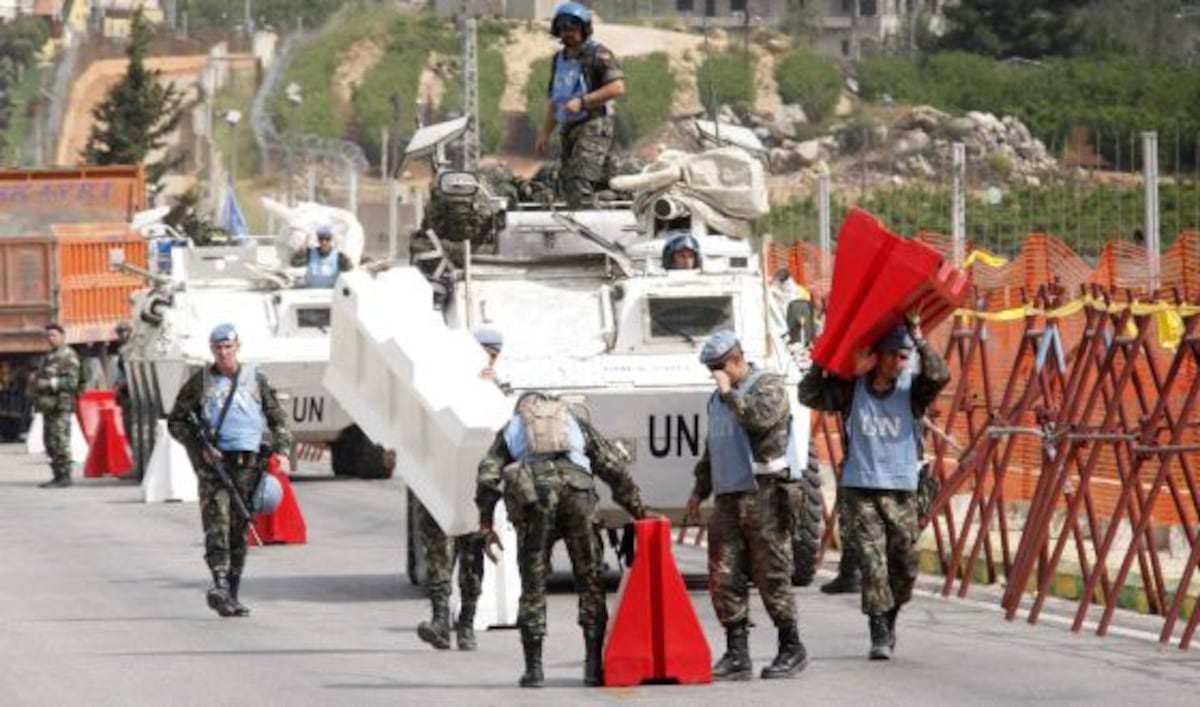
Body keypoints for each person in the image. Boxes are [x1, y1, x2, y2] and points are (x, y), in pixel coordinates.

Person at [797, 312, 949, 659]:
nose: (899, 363)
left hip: (902, 492)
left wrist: (918, 337)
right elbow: (809, 394)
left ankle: (890, 617)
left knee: (904, 567)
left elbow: (940, 374)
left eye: (904, 357)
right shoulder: (853, 389)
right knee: (872, 562)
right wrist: (834, 366)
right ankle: (878, 630)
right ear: (876, 356)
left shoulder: (913, 391)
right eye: (893, 355)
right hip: (860, 489)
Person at [476, 391, 649, 688]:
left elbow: (487, 475)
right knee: (590, 582)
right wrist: (638, 510)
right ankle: (593, 668)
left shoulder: (514, 426)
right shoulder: (573, 421)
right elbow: (611, 466)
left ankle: (534, 670)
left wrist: (486, 523)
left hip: (535, 502)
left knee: (533, 587)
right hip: (579, 497)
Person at [685, 329, 808, 681]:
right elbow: (713, 448)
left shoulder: (768, 386)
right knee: (724, 576)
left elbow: (757, 420)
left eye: (719, 367)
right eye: (711, 369)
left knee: (771, 574)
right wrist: (698, 491)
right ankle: (737, 651)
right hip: (728, 498)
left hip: (765, 495)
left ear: (737, 359)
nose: (715, 375)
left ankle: (791, 646)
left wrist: (729, 393)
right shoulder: (717, 400)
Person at [167, 323, 293, 618]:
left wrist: (282, 452)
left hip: (249, 467)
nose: (223, 353)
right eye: (218, 348)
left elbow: (278, 419)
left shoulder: (255, 379)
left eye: (228, 347)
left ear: (237, 347)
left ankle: (232, 594)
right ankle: (220, 585)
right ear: (212, 350)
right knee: (217, 526)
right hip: (215, 468)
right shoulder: (200, 382)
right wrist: (200, 449)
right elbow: (176, 421)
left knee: (239, 530)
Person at [415, 327, 508, 651]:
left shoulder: (500, 391)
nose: (487, 361)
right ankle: (440, 621)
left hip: (476, 489)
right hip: (440, 481)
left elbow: (507, 432)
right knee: (438, 554)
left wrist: (491, 388)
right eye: (483, 354)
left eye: (492, 355)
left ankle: (466, 624)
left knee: (472, 558)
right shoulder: (444, 386)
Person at [534, 2, 626, 209]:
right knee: (569, 183)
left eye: (573, 28)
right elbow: (556, 99)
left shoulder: (598, 54)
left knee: (580, 181)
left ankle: (587, 223)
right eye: (563, 29)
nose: (568, 33)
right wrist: (545, 133)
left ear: (584, 29)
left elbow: (617, 87)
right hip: (569, 128)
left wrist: (583, 101)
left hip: (593, 125)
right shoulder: (559, 59)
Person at [31, 324, 81, 489]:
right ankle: (57, 475)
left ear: (62, 336)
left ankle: (65, 476)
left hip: (61, 406)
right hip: (48, 406)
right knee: (49, 442)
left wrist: (49, 383)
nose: (50, 339)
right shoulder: (48, 357)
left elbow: (72, 383)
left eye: (53, 335)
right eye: (48, 336)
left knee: (60, 441)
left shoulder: (68, 356)